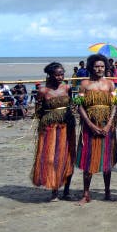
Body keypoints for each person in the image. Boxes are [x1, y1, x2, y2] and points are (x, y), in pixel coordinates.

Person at [76, 54, 117, 204]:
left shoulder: (110, 84)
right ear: (91, 67)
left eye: (102, 66)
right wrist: (90, 124)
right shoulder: (85, 84)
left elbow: (115, 105)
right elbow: (79, 106)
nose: (99, 69)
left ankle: (107, 192)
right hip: (89, 128)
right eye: (96, 66)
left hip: (107, 127)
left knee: (107, 160)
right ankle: (86, 194)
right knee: (88, 160)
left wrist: (108, 124)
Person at [31, 63, 75, 201]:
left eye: (62, 74)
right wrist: (47, 122)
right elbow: (38, 111)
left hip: (67, 127)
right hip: (50, 129)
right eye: (57, 75)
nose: (60, 77)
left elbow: (71, 105)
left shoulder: (67, 88)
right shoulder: (43, 91)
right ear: (50, 75)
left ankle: (66, 191)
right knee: (52, 158)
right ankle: (54, 191)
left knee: (67, 158)